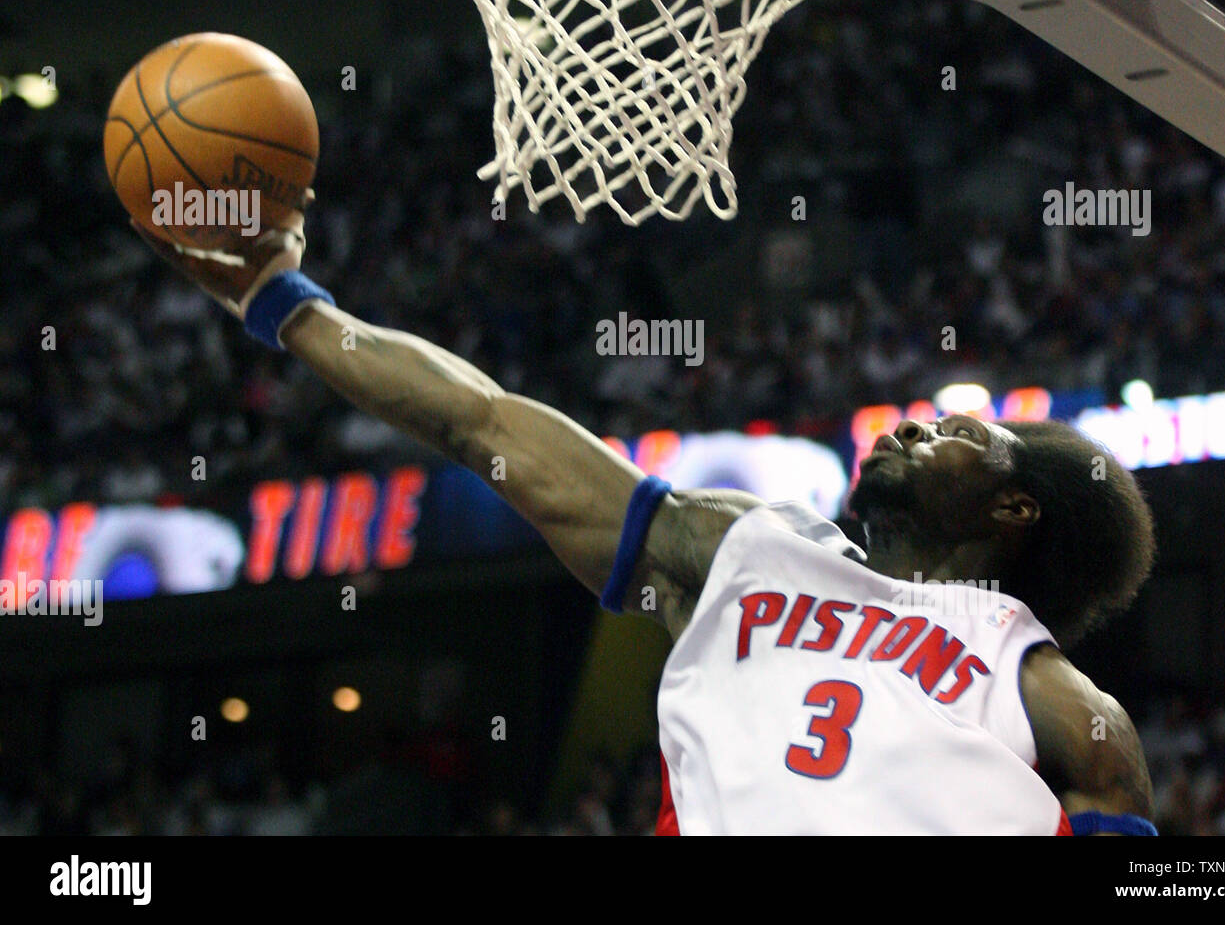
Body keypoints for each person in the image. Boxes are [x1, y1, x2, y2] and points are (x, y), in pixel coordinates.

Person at [131, 200, 1157, 836]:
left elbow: (1112, 766)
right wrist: (285, 301)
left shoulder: (1019, 664)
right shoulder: (747, 547)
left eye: (951, 436)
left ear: (1014, 507)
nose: (909, 429)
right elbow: (479, 419)